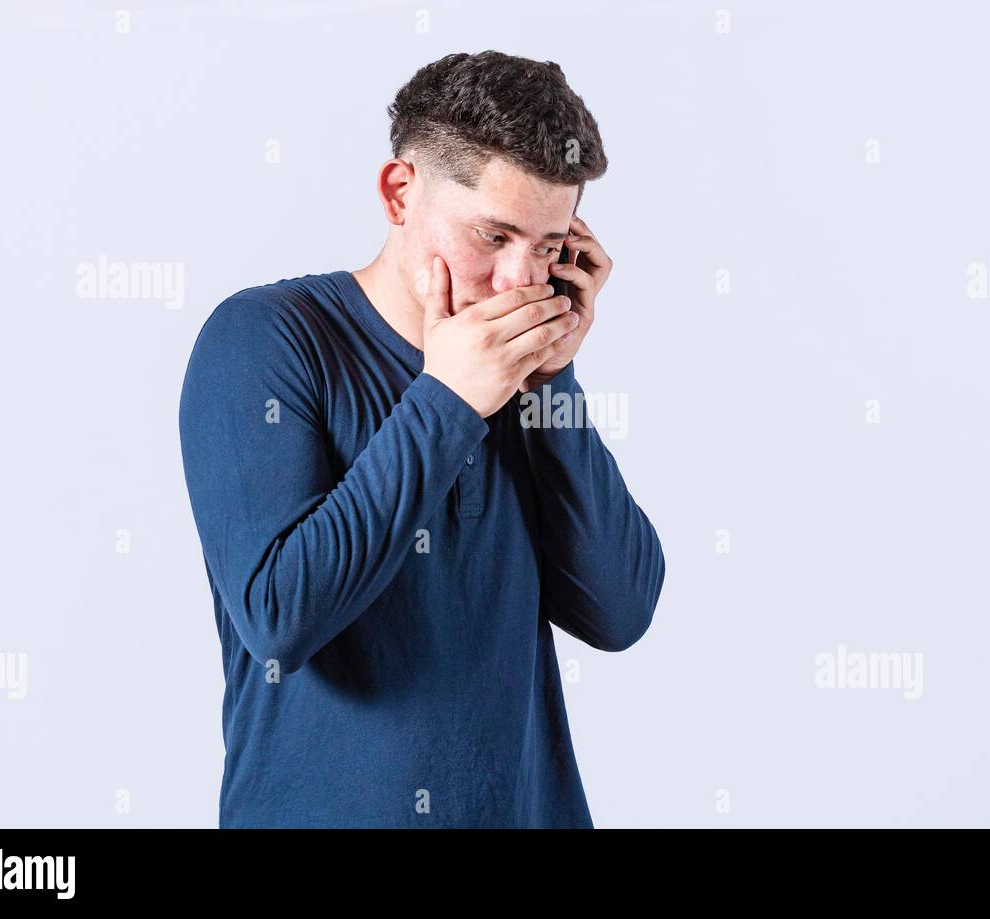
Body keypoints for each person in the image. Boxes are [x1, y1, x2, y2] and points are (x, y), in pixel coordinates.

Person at [178, 50, 665, 828]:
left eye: (546, 247)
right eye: (493, 235)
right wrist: (448, 399)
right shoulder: (265, 340)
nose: (518, 281)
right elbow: (280, 614)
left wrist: (550, 380)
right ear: (400, 193)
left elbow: (622, 609)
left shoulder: (523, 378)